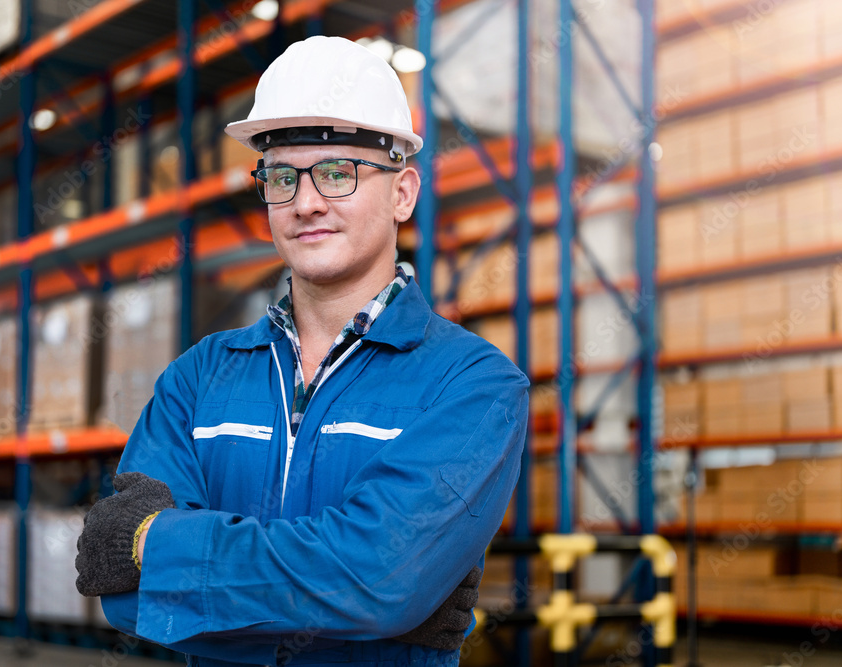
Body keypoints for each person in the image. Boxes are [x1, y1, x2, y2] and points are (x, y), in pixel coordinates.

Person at [75, 35, 529, 667]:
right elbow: (126, 600)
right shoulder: (198, 378)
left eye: (338, 173)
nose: (306, 202)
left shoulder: (473, 385)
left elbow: (378, 582)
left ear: (403, 192)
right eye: (282, 178)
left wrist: (163, 552)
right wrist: (371, 605)